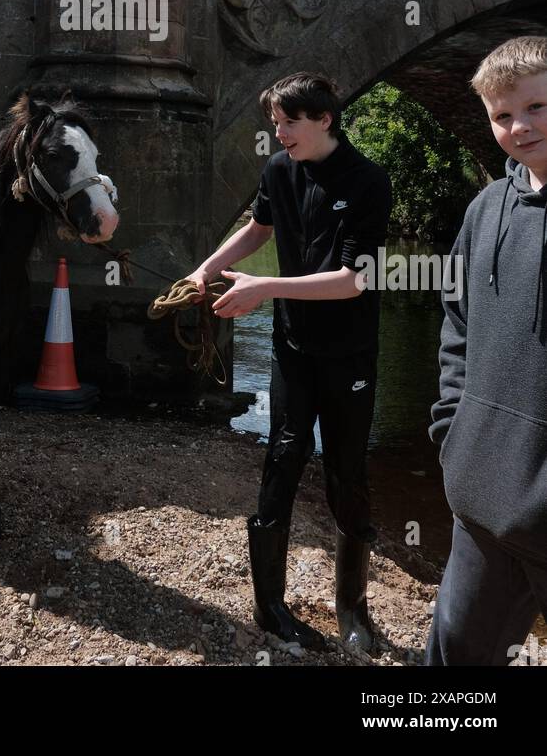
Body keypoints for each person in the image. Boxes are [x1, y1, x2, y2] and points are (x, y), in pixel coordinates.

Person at [185, 72, 392, 652]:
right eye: (274, 124)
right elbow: (258, 227)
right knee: (281, 460)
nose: (279, 134)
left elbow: (355, 283)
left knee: (347, 476)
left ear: (324, 119)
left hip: (349, 351)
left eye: (289, 123)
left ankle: (352, 609)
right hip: (292, 348)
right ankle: (270, 607)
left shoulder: (368, 181)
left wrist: (264, 288)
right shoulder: (279, 169)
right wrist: (206, 268)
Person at [427, 36, 547, 666]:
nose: (519, 127)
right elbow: (457, 328)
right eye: (502, 116)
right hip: (482, 498)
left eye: (537, 106)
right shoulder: (484, 210)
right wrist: (456, 438)